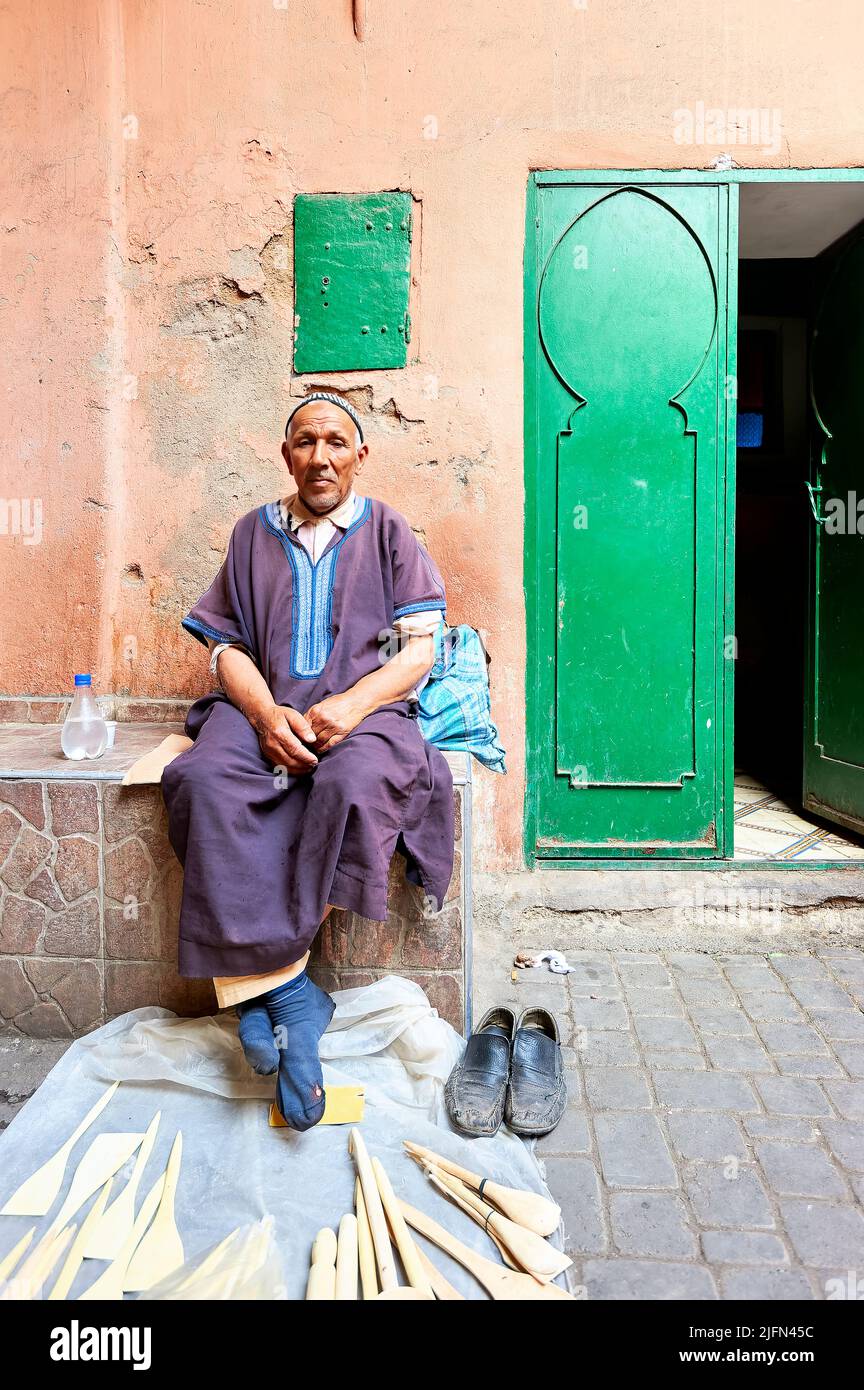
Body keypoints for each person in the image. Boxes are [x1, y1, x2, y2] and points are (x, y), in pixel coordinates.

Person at [162, 391, 454, 1129]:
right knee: (204, 781)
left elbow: (418, 646)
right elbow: (224, 647)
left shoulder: (387, 531)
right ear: (286, 454)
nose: (319, 456)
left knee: (357, 784)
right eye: (303, 442)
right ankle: (290, 995)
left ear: (360, 456)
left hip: (366, 711)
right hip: (262, 707)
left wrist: (353, 706)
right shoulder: (250, 533)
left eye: (335, 442)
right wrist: (263, 715)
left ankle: (262, 992)